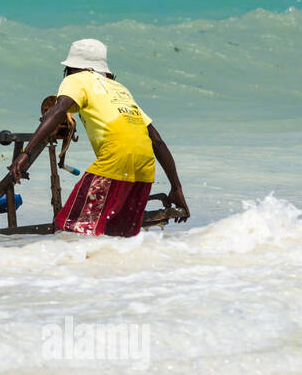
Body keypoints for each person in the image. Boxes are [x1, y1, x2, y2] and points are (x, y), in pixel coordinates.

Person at [10, 38, 189, 236]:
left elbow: (58, 110)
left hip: (115, 159)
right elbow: (156, 139)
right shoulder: (119, 88)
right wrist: (176, 187)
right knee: (118, 236)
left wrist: (26, 153)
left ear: (72, 67)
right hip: (145, 167)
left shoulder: (75, 80)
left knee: (69, 229)